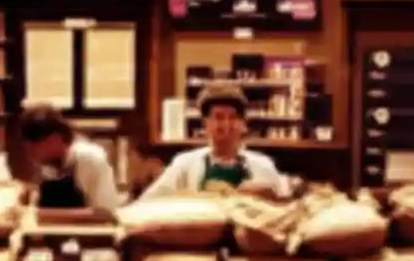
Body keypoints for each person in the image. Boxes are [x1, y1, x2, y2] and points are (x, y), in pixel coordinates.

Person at [140, 82, 289, 199]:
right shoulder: (183, 165)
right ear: (205, 125)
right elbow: (149, 202)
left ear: (244, 124)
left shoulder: (263, 166)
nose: (226, 125)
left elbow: (284, 208)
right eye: (218, 117)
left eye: (233, 117)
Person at [19, 103, 120, 217]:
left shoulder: (89, 158)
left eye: (34, 148)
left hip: (88, 233)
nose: (30, 154)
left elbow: (106, 213)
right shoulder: (49, 163)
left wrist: (45, 216)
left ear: (55, 139)